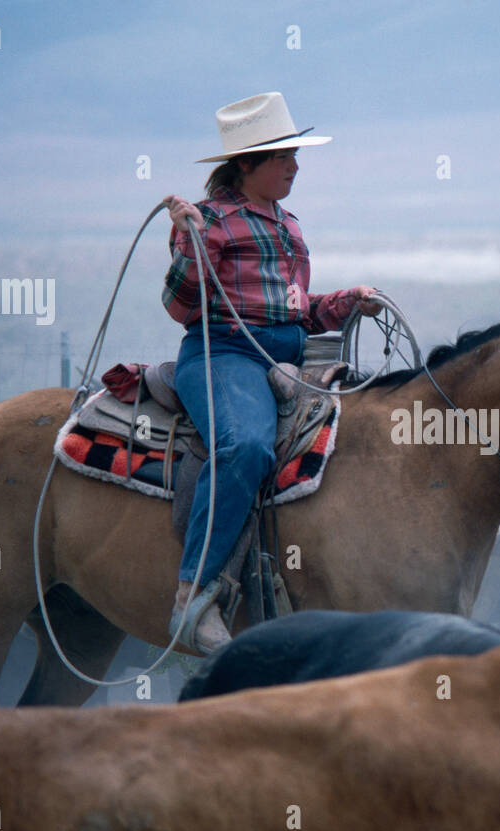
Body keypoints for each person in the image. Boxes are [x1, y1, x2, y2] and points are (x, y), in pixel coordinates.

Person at [162, 92, 382, 653]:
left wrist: (347, 301)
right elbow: (180, 306)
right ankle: (194, 597)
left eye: (293, 155)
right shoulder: (205, 222)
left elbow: (297, 308)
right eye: (283, 155)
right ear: (246, 165)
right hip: (225, 357)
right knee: (246, 447)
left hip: (289, 358)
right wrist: (189, 243)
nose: (295, 165)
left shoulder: (288, 225)